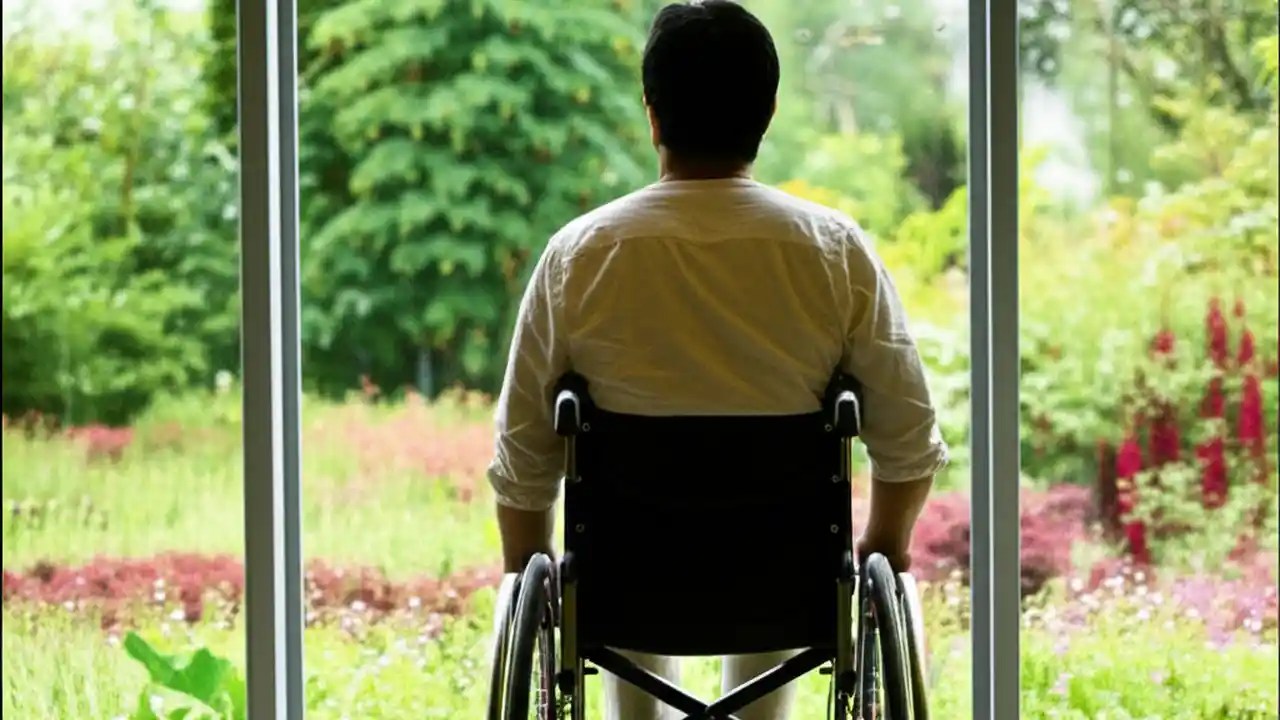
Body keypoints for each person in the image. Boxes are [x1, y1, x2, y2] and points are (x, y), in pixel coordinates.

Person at [485, 1, 948, 718]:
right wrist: (882, 547)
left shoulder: (581, 255)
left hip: (628, 583)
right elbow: (909, 439)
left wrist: (528, 573)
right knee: (776, 568)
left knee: (618, 568)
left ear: (652, 114)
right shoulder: (833, 251)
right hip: (783, 585)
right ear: (767, 112)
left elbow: (523, 455)